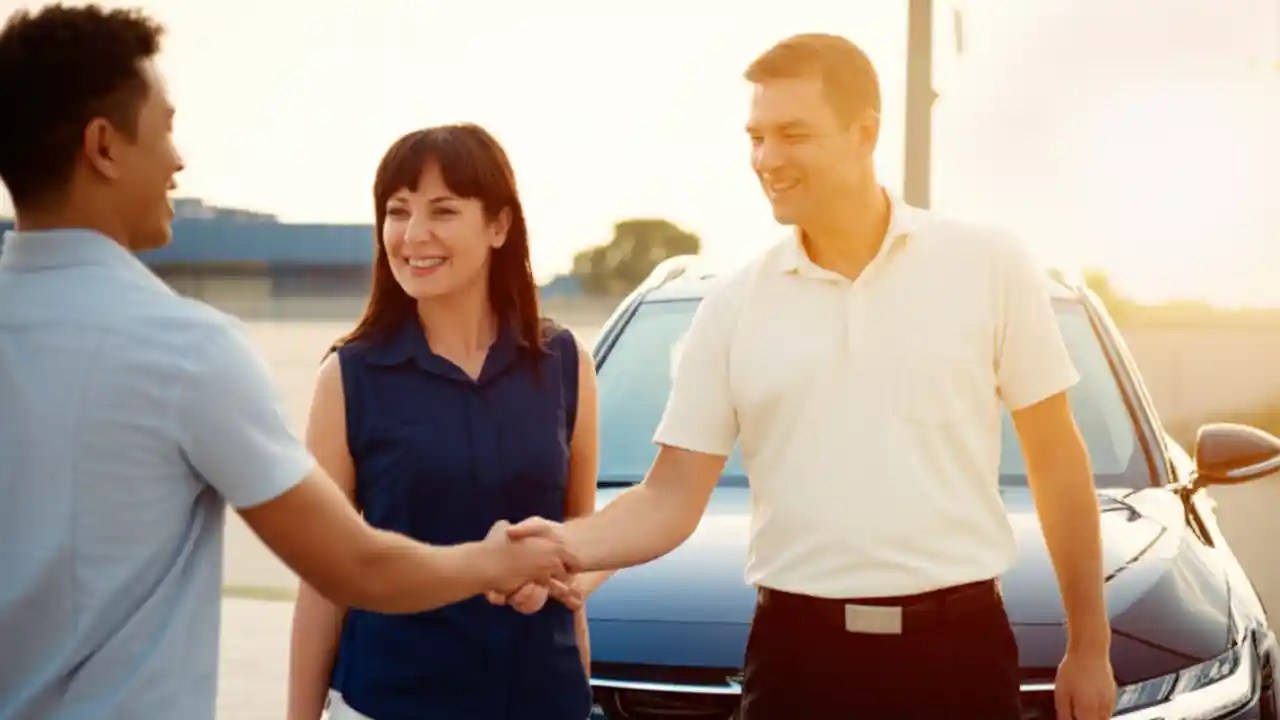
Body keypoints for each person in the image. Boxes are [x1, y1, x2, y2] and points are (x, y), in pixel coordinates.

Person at [509, 32, 1120, 720]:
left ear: (865, 133)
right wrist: (564, 547)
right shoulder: (734, 305)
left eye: (792, 134)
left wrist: (1089, 646)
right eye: (756, 137)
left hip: (960, 658)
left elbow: (1058, 461)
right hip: (797, 664)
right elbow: (668, 496)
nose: (767, 159)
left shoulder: (989, 265)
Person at [0, 7, 576, 720]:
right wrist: (498, 562)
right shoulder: (187, 351)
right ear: (104, 146)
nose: (179, 159)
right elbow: (347, 566)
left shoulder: (561, 361)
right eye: (167, 126)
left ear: (499, 226)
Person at [285, 123, 608, 720]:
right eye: (397, 211)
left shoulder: (565, 364)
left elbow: (576, 552)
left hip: (544, 701)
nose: (413, 235)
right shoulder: (350, 377)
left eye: (442, 211)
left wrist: (575, 677)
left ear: (499, 225)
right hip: (389, 702)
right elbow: (324, 579)